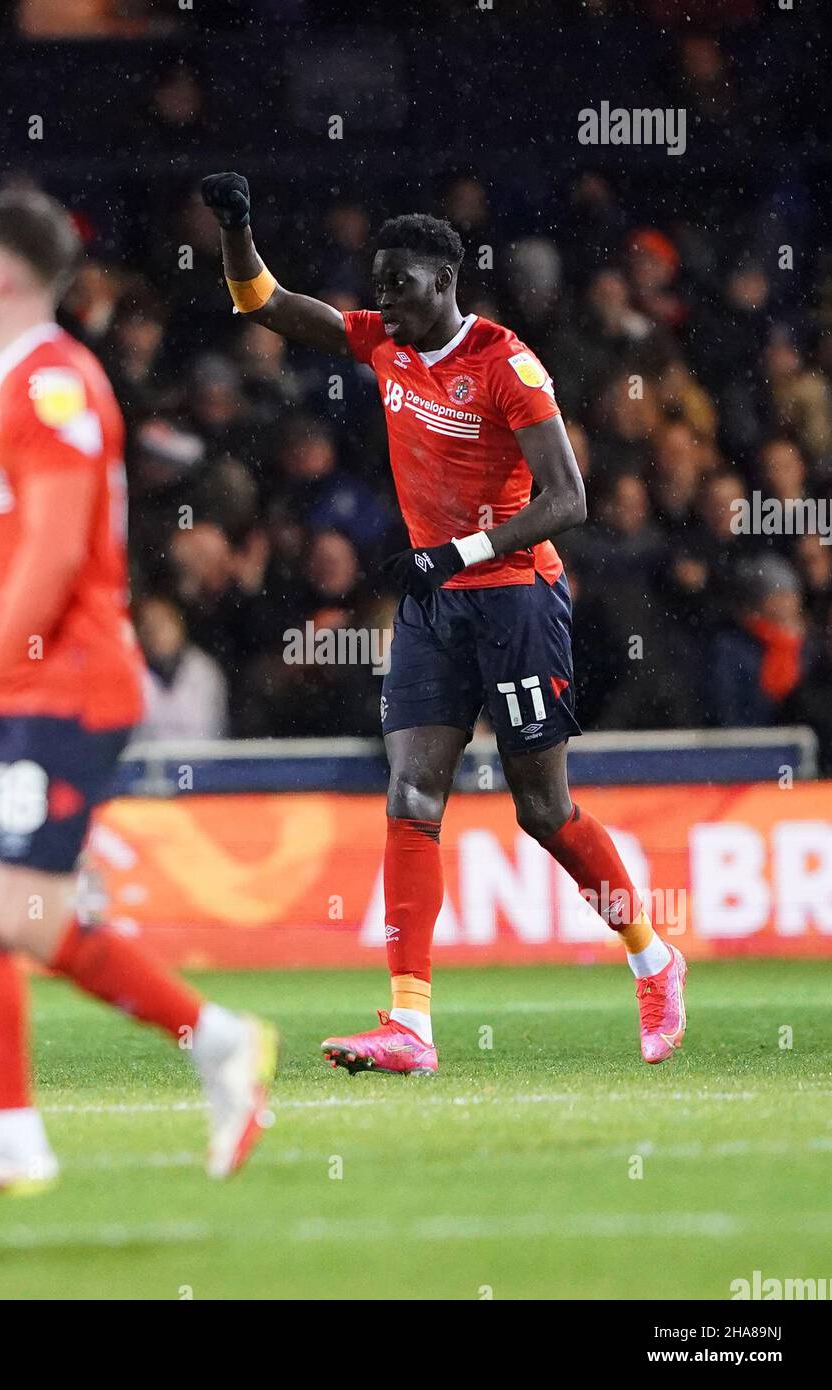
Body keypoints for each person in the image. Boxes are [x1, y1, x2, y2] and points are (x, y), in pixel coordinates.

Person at [201, 171, 688, 1075]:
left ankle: (654, 960)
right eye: (376, 285)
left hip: (515, 601)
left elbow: (569, 499)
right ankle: (410, 1027)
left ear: (442, 282)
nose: (382, 302)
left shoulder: (506, 363)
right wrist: (238, 226)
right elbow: (262, 303)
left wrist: (459, 552)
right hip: (437, 610)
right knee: (410, 795)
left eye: (398, 285)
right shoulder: (385, 345)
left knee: (542, 810)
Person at [0, 188, 276, 1197]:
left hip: (59, 690)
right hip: (25, 689)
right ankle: (16, 1133)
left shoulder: (55, 383)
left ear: (2, 275)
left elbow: (61, 551)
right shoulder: (11, 383)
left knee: (11, 909)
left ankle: (215, 1040)